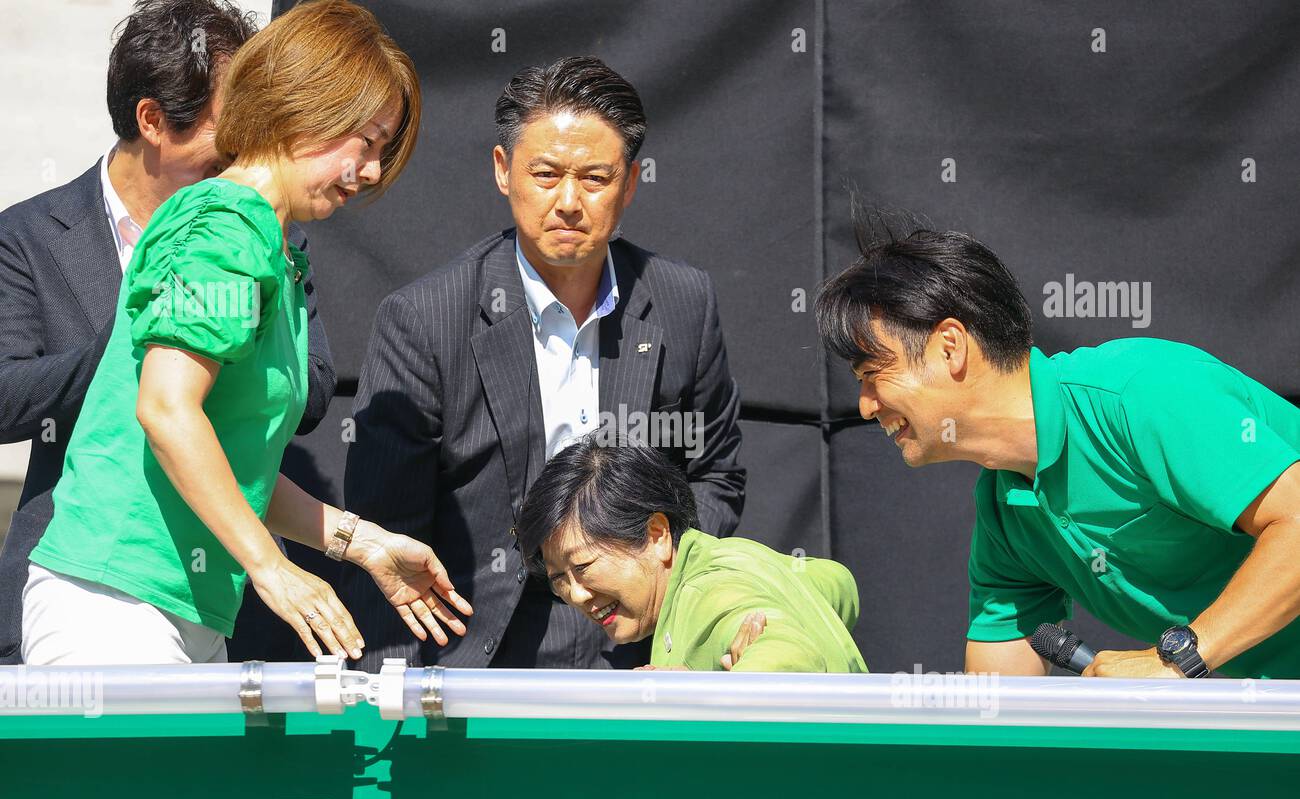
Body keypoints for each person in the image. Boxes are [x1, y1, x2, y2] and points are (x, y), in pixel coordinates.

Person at [20, 0, 468, 666]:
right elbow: (166, 409)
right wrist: (271, 568)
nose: (373, 171)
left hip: (175, 607)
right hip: (114, 603)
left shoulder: (266, 241)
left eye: (383, 151)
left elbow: (235, 469)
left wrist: (362, 543)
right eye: (366, 142)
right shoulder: (229, 225)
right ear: (304, 106)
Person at [341, 56, 745, 670]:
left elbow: (717, 475)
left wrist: (662, 588)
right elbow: (384, 528)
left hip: (645, 645)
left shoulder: (682, 302)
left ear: (630, 183)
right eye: (546, 173)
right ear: (503, 171)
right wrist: (383, 705)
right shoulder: (424, 319)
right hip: (476, 644)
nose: (568, 202)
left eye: (595, 178)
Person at [813, 206, 1300, 679]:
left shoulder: (1143, 391)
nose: (865, 406)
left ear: (950, 347)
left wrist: (1177, 660)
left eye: (874, 374)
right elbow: (995, 712)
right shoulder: (1004, 514)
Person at [0, 0, 337, 664]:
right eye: (231, 125)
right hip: (92, 581)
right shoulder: (27, 236)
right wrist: (148, 342)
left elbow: (317, 387)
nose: (250, 145)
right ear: (153, 121)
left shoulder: (263, 233)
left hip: (210, 588)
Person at [516, 436, 866, 672]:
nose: (576, 595)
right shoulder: (733, 556)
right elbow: (838, 582)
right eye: (559, 578)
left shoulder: (705, 599)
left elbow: (788, 660)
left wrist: (709, 699)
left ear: (657, 536)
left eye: (583, 566)